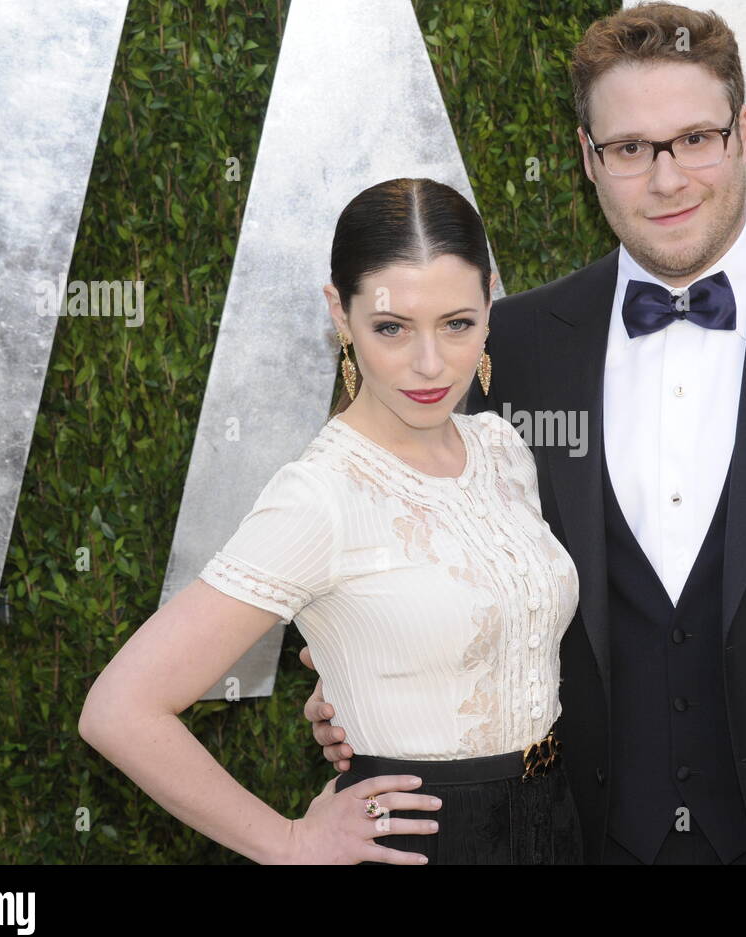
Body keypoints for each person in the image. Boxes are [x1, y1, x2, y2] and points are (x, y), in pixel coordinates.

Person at [306, 2, 746, 865]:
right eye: (630, 149)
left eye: (695, 139)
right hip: (583, 838)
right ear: (586, 159)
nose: (667, 180)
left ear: (742, 132)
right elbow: (442, 564)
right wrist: (365, 690)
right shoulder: (509, 344)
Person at [80, 177, 582, 864]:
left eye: (457, 322)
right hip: (420, 844)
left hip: (558, 824)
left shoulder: (502, 450)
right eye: (391, 327)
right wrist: (289, 841)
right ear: (341, 315)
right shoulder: (320, 494)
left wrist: (366, 668)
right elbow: (120, 709)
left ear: (490, 299)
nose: (430, 363)